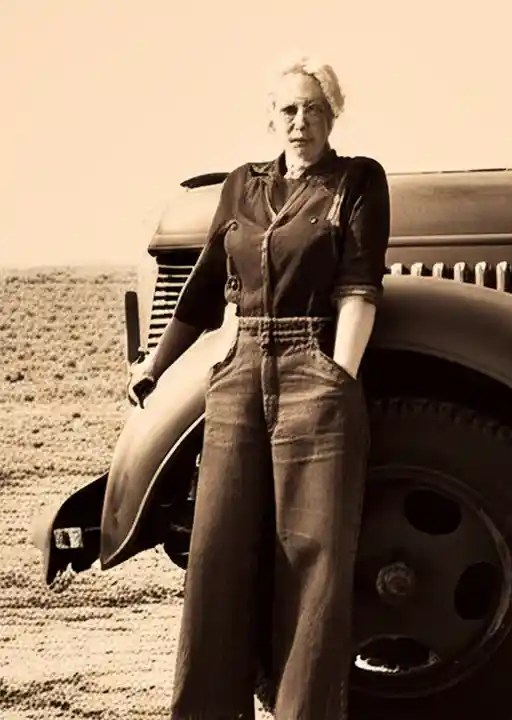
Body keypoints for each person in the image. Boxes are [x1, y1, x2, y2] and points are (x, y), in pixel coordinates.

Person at [126, 56, 390, 719]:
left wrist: (339, 377)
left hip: (313, 365)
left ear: (333, 115)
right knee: (218, 550)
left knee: (313, 554)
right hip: (240, 365)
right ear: (270, 117)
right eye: (289, 109)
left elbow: (360, 286)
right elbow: (208, 284)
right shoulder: (242, 186)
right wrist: (155, 367)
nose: (301, 121)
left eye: (314, 109)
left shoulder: (356, 181)